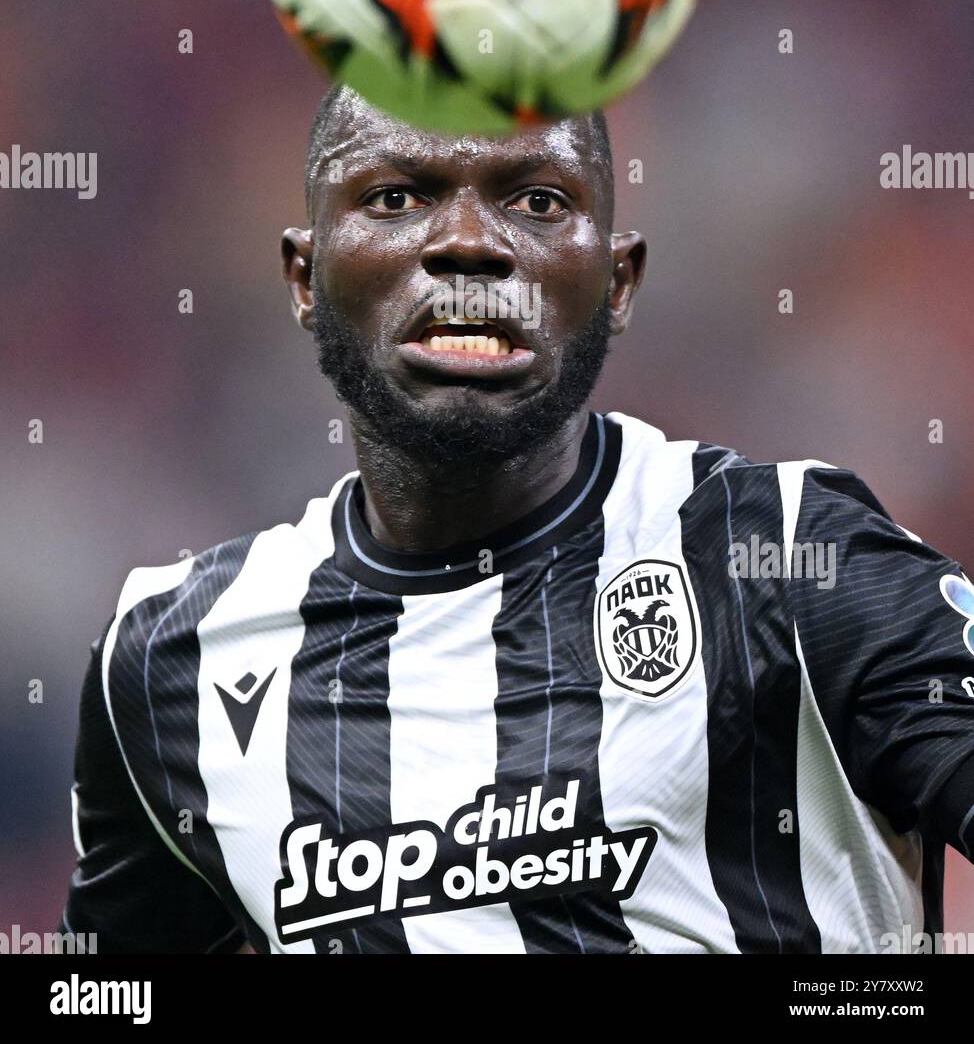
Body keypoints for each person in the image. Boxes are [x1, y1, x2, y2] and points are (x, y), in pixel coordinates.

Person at [60, 85, 974, 954]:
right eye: (394, 198)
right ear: (306, 277)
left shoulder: (789, 559)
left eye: (538, 201)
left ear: (617, 281)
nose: (467, 243)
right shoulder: (174, 662)